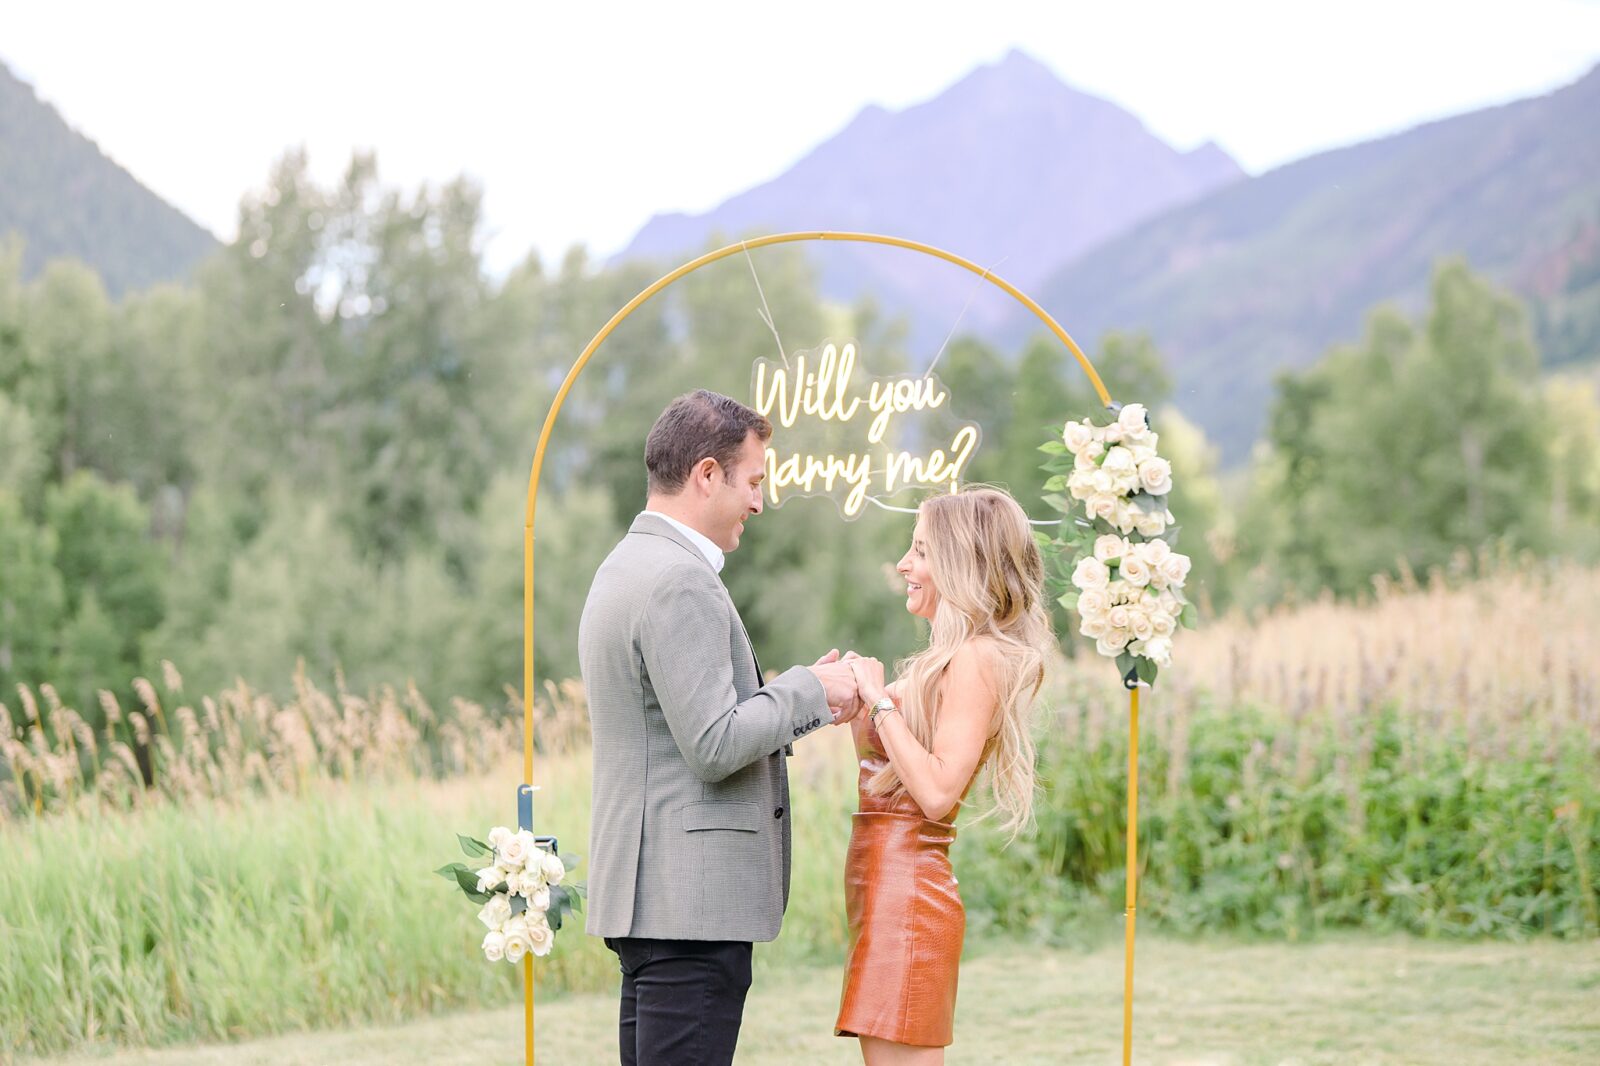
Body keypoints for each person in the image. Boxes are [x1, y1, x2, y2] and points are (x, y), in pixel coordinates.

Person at [578, 388, 862, 1066]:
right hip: (690, 908)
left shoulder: (625, 566)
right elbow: (711, 745)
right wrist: (807, 690)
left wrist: (791, 697)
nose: (760, 502)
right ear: (707, 474)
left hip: (651, 900)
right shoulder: (680, 580)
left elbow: (680, 726)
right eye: (754, 481)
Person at [835, 486, 1054, 1064]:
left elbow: (935, 793)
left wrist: (879, 703)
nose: (905, 565)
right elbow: (888, 767)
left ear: (961, 564)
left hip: (909, 892)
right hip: (882, 885)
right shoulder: (942, 664)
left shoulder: (979, 658)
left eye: (921, 551)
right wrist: (854, 700)